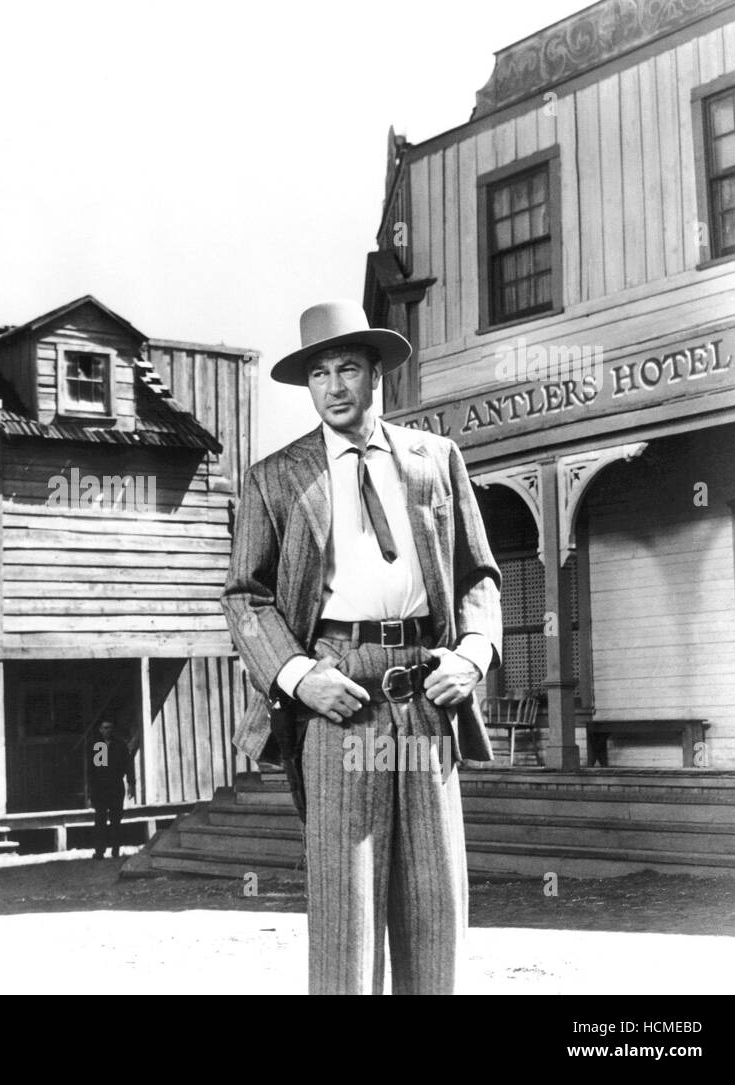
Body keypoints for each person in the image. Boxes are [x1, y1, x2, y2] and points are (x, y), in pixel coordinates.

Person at [222, 299, 501, 995]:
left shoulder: (436, 459)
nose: (336, 385)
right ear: (308, 386)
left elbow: (479, 577)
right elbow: (244, 596)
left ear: (377, 374)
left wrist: (471, 655)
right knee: (346, 910)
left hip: (427, 689)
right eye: (320, 373)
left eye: (349, 367)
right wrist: (294, 675)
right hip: (337, 695)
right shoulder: (275, 478)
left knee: (434, 902)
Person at [87, 721, 135, 859]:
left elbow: (128, 765)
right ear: (100, 730)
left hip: (116, 787)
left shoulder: (120, 745)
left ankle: (115, 851)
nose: (108, 731)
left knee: (116, 819)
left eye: (110, 728)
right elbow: (95, 770)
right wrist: (91, 790)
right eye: (105, 728)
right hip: (100, 788)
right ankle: (100, 851)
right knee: (100, 819)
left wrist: (131, 783)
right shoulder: (98, 746)